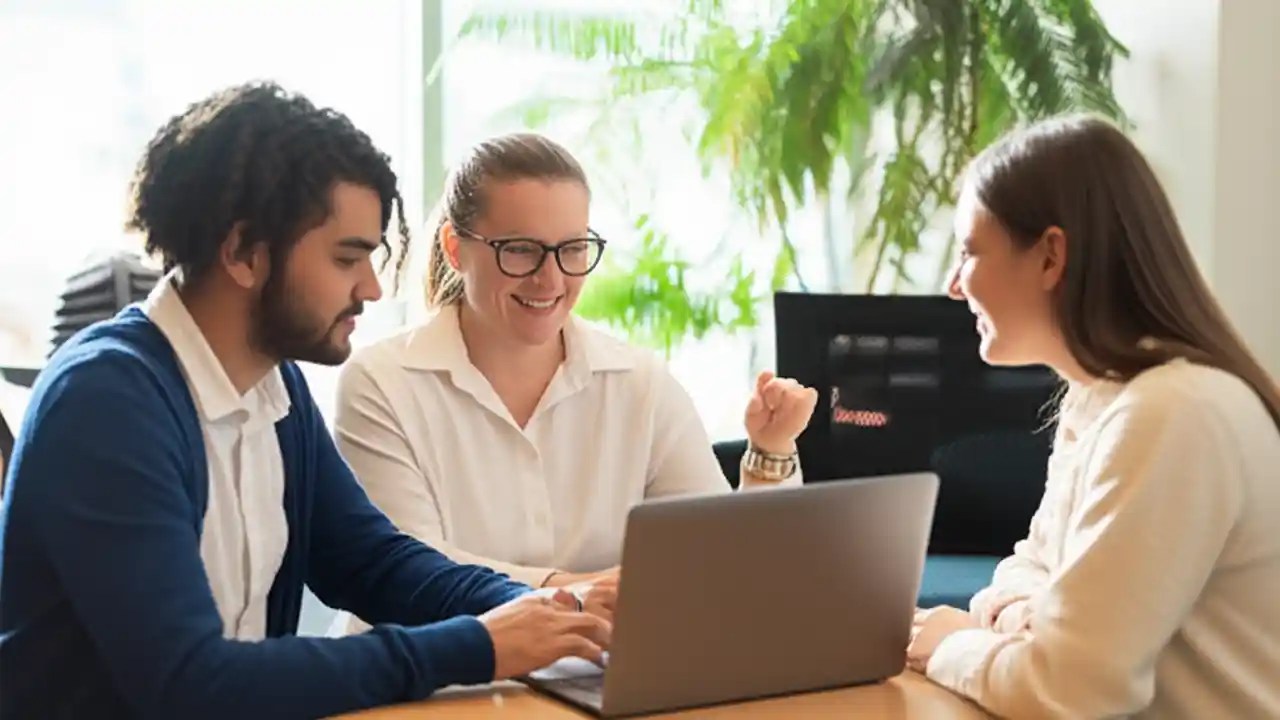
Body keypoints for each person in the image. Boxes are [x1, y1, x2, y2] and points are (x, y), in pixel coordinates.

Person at [0, 83, 610, 720]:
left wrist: (547, 612)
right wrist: (478, 645)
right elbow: (189, 681)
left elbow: (372, 562)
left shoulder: (273, 383)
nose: (371, 288)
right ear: (242, 252)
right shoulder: (107, 403)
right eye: (348, 258)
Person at [330, 132, 818, 626]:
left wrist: (770, 452)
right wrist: (580, 593)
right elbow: (409, 573)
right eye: (521, 250)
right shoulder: (382, 382)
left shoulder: (638, 382)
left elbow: (722, 564)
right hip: (432, 688)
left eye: (572, 248)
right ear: (455, 248)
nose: (551, 279)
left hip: (594, 676)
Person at [906, 115, 1280, 718]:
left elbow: (1072, 692)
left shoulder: (1171, 416)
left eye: (970, 251)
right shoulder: (1101, 401)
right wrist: (1033, 617)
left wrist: (952, 643)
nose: (953, 285)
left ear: (1051, 256)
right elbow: (1029, 564)